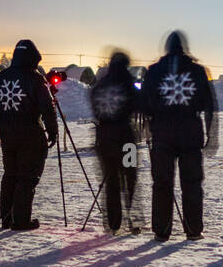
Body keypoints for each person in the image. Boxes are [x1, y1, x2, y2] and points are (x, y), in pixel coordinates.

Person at [140, 31, 216, 241]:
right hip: (190, 131)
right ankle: (193, 229)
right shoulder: (197, 70)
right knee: (191, 182)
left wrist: (150, 125)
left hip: (162, 133)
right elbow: (209, 104)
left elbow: (144, 104)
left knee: (162, 183)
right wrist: (211, 134)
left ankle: (161, 230)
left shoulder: (154, 71)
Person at [0, 39, 58, 230]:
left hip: (8, 136)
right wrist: (52, 130)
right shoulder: (35, 79)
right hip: (31, 134)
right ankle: (21, 220)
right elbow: (46, 108)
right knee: (27, 177)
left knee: (10, 175)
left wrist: (4, 124)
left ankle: (7, 218)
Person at [90, 50, 142, 234]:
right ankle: (132, 219)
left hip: (104, 139)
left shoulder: (99, 86)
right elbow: (140, 105)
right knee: (130, 177)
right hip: (125, 139)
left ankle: (114, 223)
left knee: (111, 180)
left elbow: (95, 109)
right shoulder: (128, 84)